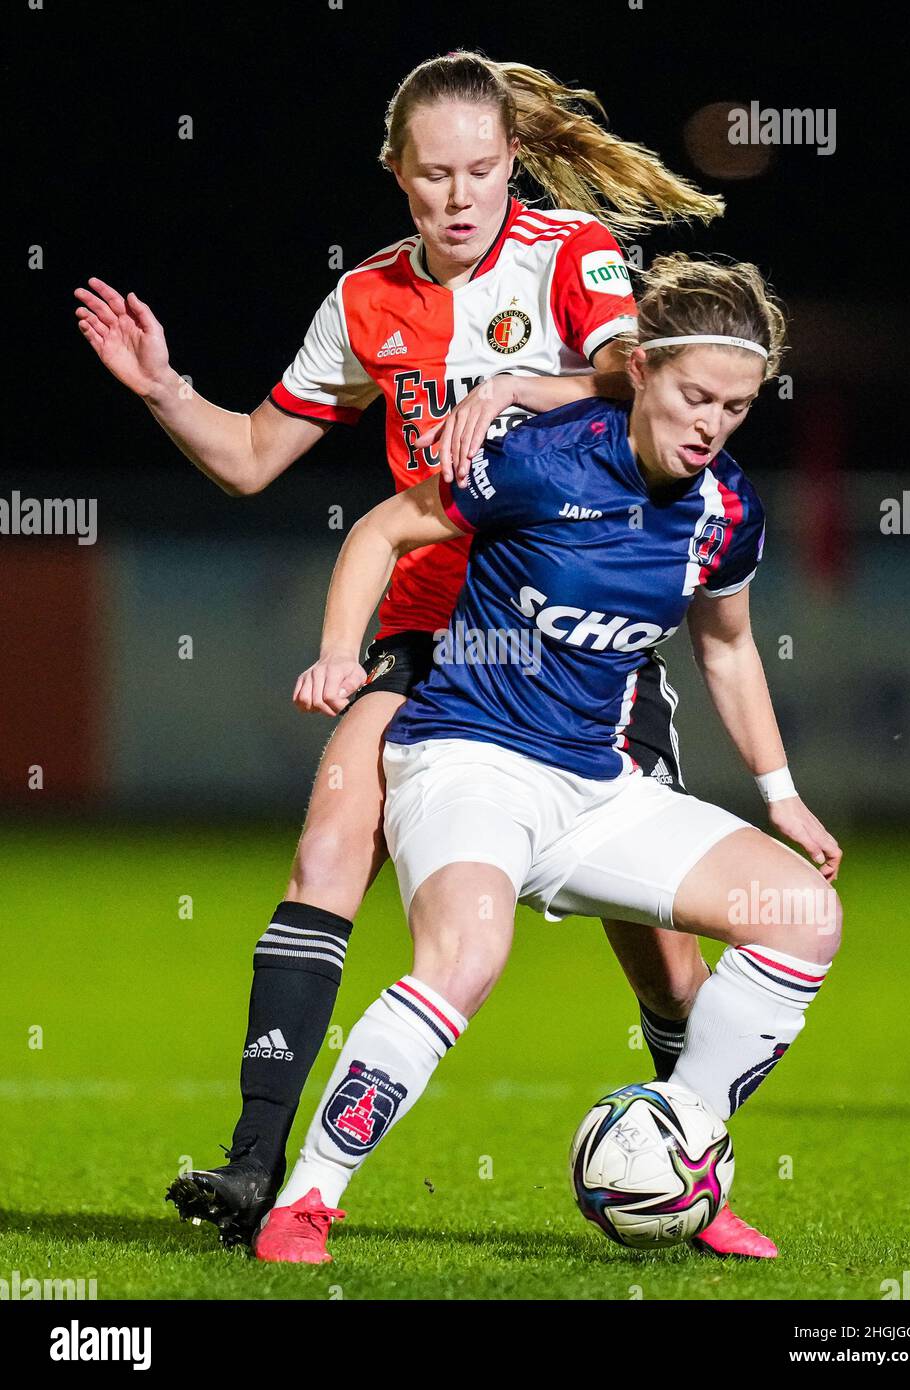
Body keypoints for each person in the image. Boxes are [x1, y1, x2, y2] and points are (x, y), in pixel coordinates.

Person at [74, 51, 769, 1255]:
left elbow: (628, 365)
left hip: (560, 627)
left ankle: (692, 1170)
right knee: (327, 841)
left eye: (482, 170)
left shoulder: (567, 254)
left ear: (513, 162)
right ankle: (256, 1167)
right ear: (396, 173)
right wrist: (164, 387)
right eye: (433, 175)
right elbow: (247, 458)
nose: (460, 198)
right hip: (434, 627)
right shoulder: (363, 302)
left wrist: (508, 385)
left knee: (659, 951)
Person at [255, 254, 843, 1264]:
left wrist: (780, 798)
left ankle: (679, 1148)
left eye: (736, 408)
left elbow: (727, 646)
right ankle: (302, 1202)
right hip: (466, 761)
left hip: (595, 785)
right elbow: (384, 529)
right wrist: (338, 653)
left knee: (805, 915)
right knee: (465, 960)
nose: (710, 424)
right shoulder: (541, 456)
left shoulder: (723, 508)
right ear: (641, 371)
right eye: (695, 395)